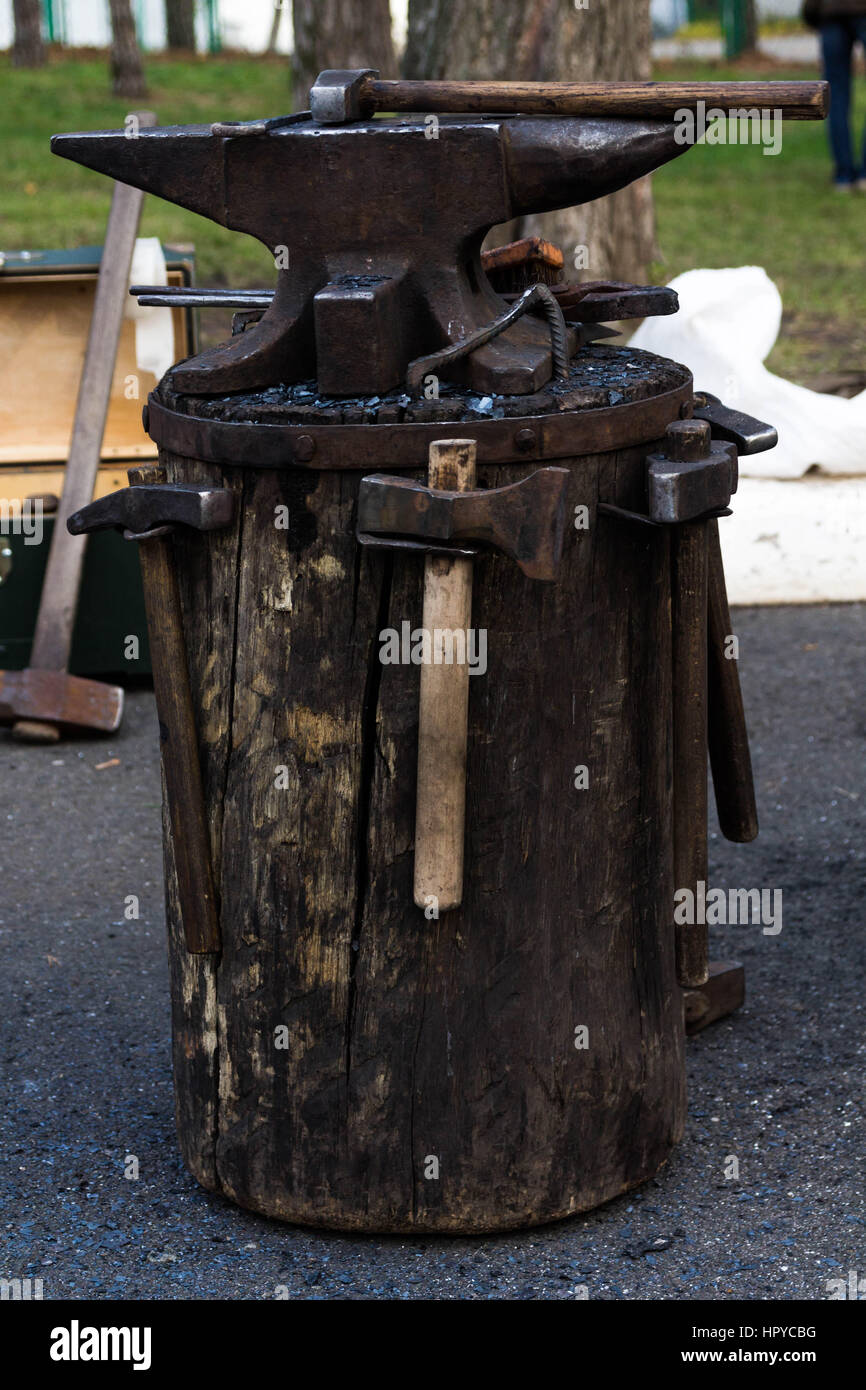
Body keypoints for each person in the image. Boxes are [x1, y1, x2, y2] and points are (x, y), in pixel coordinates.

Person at [804, 0, 866, 188]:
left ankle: (844, 175)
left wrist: (813, 11)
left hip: (831, 11)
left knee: (835, 96)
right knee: (834, 94)